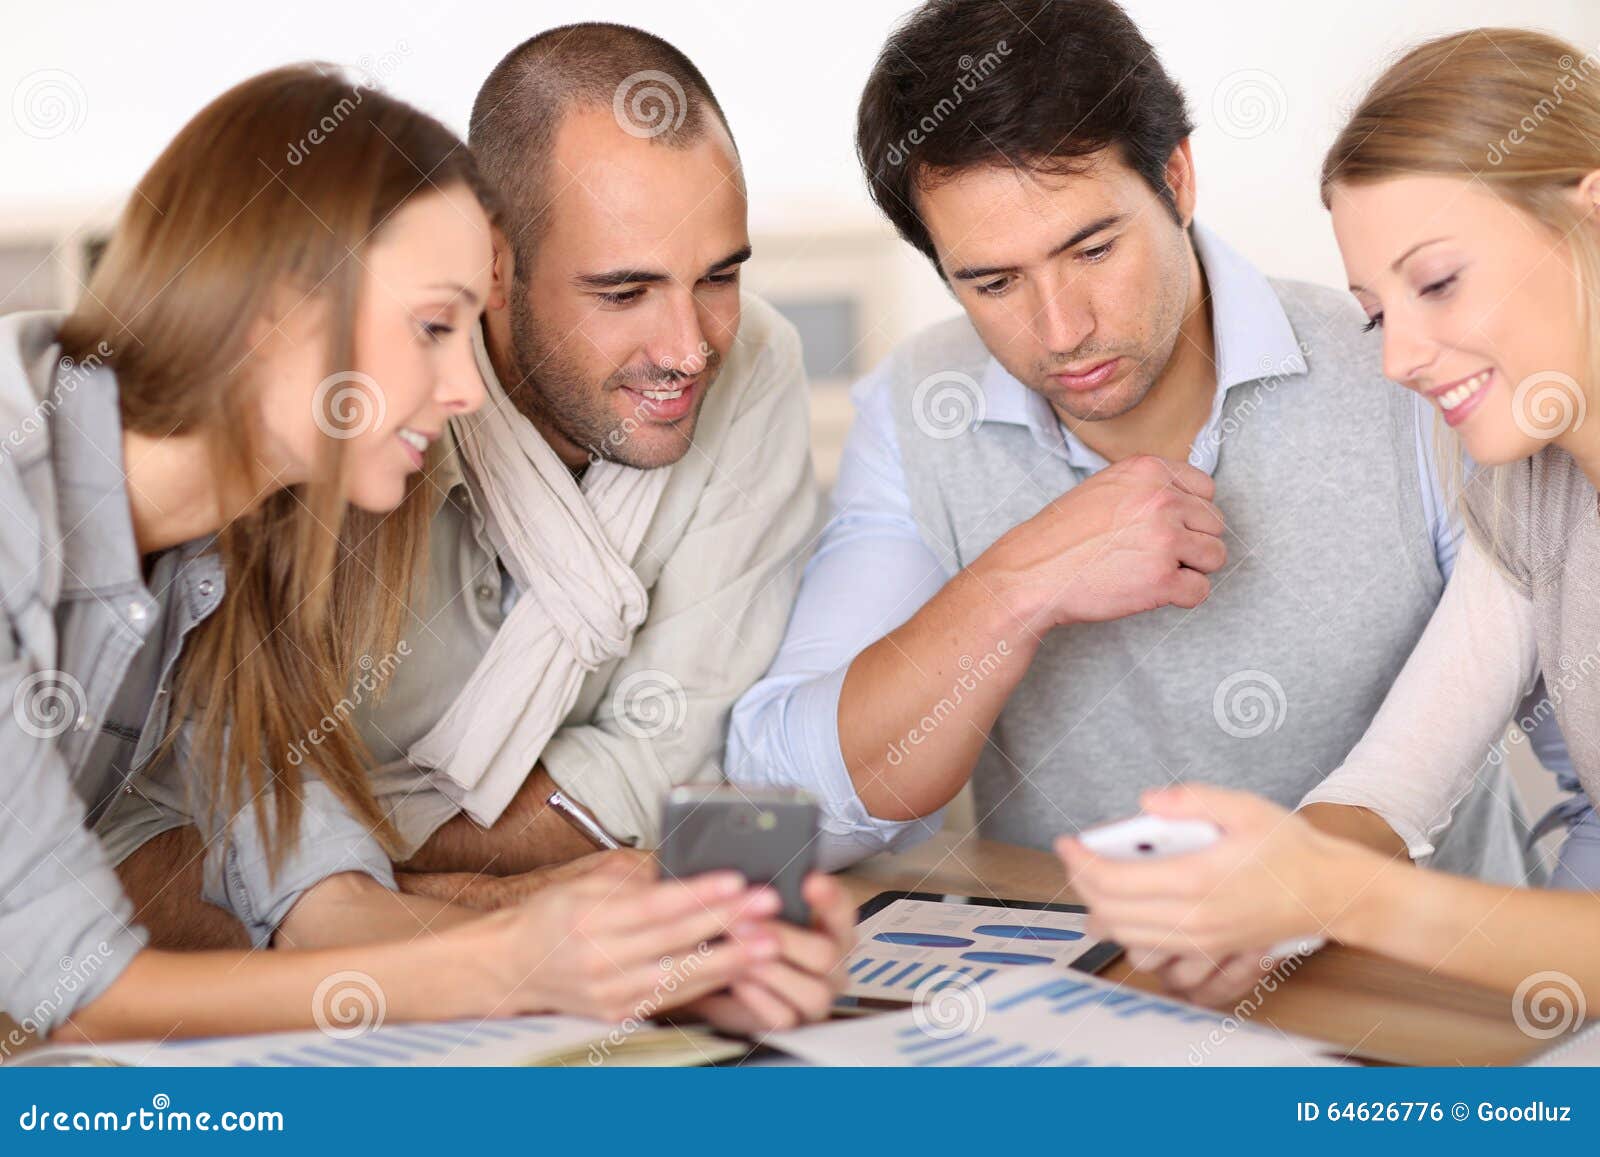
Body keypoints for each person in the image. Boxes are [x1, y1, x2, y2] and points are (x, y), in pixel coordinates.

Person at [2, 64, 838, 1045]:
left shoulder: (226, 550)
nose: (466, 390)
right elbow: (79, 993)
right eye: (435, 327)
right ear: (277, 311)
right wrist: (505, 959)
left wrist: (627, 961)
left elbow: (318, 900)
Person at [727, 0, 1554, 968]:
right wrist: (1020, 583)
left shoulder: (1412, 372)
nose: (1062, 325)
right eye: (993, 283)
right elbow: (784, 815)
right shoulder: (919, 407)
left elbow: (1576, 779)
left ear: (1176, 177)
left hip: (1416, 1005)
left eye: (1092, 249)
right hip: (1097, 1015)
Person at [1062, 27, 1600, 1002]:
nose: (1397, 361)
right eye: (1375, 311)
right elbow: (1397, 778)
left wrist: (1343, 896)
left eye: (1436, 282)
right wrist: (1263, 886)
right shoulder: (1535, 489)